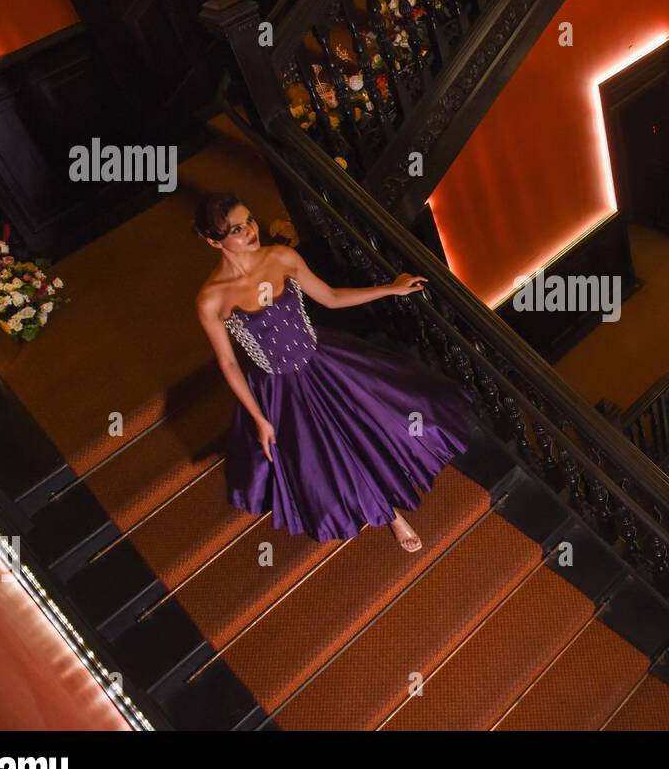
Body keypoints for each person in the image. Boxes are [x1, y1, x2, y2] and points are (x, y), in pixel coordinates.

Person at [194, 193, 481, 551]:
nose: (251, 231)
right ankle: (391, 515)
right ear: (212, 240)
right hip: (278, 386)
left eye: (250, 220)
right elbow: (229, 363)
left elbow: (329, 296)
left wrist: (389, 289)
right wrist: (259, 418)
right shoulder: (211, 298)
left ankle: (387, 502)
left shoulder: (281, 256)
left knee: (373, 426)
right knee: (328, 454)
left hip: (323, 360)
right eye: (237, 229)